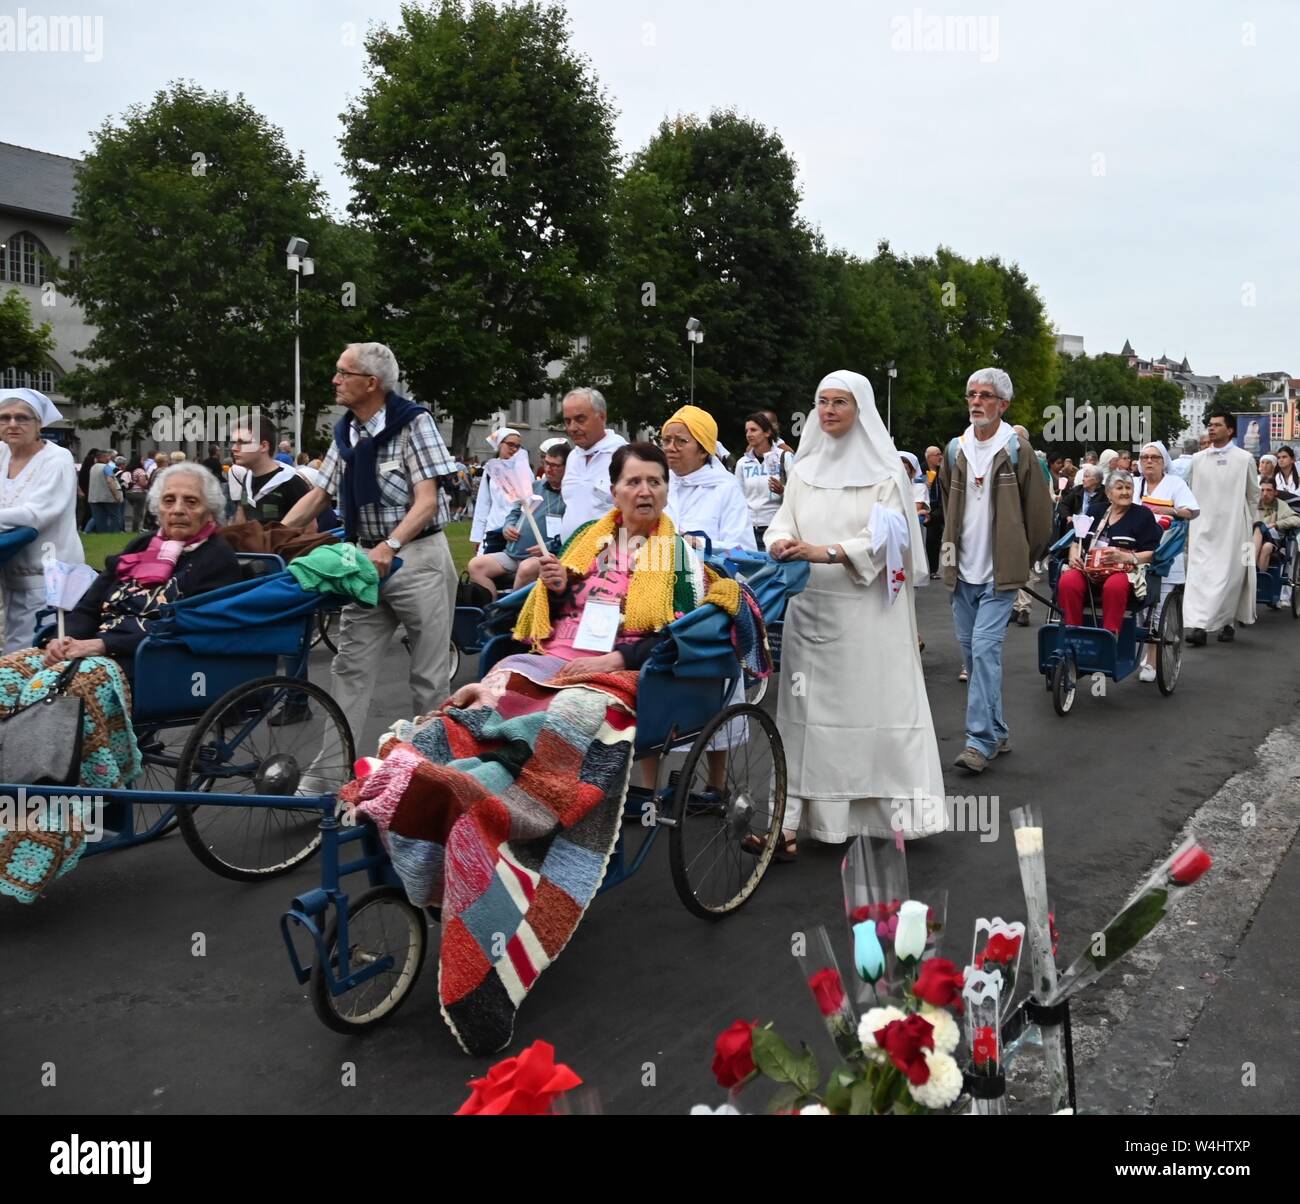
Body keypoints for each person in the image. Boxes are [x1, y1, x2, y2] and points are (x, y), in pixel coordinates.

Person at [349, 442, 755, 1056]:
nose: (644, 492)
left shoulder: (684, 556)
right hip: (555, 655)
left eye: (655, 483)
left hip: (616, 670)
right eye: (633, 482)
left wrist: (619, 655)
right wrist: (560, 586)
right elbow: (553, 612)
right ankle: (446, 770)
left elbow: (682, 631)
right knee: (480, 699)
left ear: (666, 492)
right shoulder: (589, 537)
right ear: (614, 491)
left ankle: (508, 800)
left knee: (568, 711)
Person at [763, 370, 946, 856]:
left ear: (860, 409)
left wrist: (827, 552)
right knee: (805, 716)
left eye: (839, 402)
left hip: (868, 614)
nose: (828, 411)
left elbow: (888, 541)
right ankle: (789, 821)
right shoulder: (802, 471)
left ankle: (889, 816)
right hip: (811, 608)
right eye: (822, 402)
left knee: (873, 709)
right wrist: (779, 540)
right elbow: (783, 520)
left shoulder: (887, 476)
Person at [281, 341, 459, 782]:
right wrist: (277, 538)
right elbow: (320, 494)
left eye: (344, 372)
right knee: (348, 669)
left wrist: (391, 546)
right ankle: (328, 776)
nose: (335, 380)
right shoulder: (347, 431)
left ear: (372, 383)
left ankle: (432, 775)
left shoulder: (414, 424)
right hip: (363, 563)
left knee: (428, 677)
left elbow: (427, 501)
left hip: (417, 559)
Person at [0, 463, 242, 786]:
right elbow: (88, 604)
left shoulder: (217, 558)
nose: (178, 509)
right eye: (169, 501)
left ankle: (64, 796)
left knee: (53, 689)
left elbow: (183, 623)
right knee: (6, 677)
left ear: (209, 511)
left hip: (149, 661)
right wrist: (63, 639)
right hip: (89, 651)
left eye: (191, 501)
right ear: (158, 508)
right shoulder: (141, 547)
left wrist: (102, 645)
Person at [939, 368, 1054, 775]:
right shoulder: (955, 449)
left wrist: (1022, 558)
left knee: (985, 652)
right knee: (975, 656)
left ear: (1003, 404)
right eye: (971, 394)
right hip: (961, 571)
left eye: (985, 395)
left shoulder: (1017, 449)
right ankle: (999, 729)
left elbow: (1040, 515)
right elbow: (947, 506)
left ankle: (978, 741)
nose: (976, 402)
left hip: (999, 573)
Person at [0, 390, 84, 653]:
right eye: (4, 418)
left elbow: (37, 513)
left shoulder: (57, 458)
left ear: (39, 424)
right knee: (14, 651)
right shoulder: (2, 453)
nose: (12, 424)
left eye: (22, 418)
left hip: (49, 575)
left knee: (42, 651)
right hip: (11, 571)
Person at [1057, 469, 1163, 637]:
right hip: (1090, 568)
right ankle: (1072, 634)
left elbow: (1151, 553)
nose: (1125, 492)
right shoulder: (1095, 510)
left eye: (1129, 488)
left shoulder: (1143, 515)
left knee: (1115, 586)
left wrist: (1126, 557)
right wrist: (1073, 556)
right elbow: (1077, 541)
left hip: (1123, 570)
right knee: (1068, 581)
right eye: (1119, 488)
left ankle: (1110, 636)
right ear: (1108, 493)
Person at [1184, 412, 1259, 646]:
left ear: (1230, 430)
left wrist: (1247, 523)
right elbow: (1190, 491)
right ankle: (1199, 626)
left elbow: (1253, 495)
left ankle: (1227, 622)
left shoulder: (1245, 458)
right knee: (1200, 576)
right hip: (1202, 527)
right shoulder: (1197, 459)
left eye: (1217, 425)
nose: (1212, 429)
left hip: (1233, 528)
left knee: (1230, 577)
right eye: (1210, 425)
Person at [465, 443, 568, 599]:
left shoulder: (570, 495)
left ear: (567, 467)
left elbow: (573, 531)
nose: (548, 469)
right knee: (476, 566)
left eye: (555, 466)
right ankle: (492, 608)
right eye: (546, 463)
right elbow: (514, 512)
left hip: (545, 556)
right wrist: (508, 527)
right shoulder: (533, 487)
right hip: (513, 553)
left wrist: (547, 547)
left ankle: (511, 613)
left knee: (527, 568)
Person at [1133, 441, 1199, 681]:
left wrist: (1167, 510)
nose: (1148, 461)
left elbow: (1191, 511)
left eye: (1154, 457)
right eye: (1144, 457)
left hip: (1165, 550)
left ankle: (1151, 660)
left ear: (1164, 462)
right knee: (1137, 606)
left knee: (1158, 609)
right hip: (1136, 550)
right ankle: (1139, 650)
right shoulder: (1134, 484)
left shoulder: (1175, 484)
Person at [663, 405, 756, 553]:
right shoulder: (659, 485)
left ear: (703, 450)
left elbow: (743, 551)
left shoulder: (726, 488)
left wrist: (699, 544)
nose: (670, 447)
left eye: (681, 441)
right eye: (667, 440)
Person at [558, 388, 627, 542]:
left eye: (580, 419)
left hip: (607, 559)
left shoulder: (624, 457)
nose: (572, 428)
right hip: (569, 555)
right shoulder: (573, 457)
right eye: (567, 421)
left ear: (602, 417)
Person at [228, 418, 311, 525]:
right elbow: (243, 514)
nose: (234, 448)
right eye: (234, 442)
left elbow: (310, 529)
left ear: (263, 446)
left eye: (242, 442)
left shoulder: (291, 482)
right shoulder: (247, 478)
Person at [735, 411, 795, 547]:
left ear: (767, 432)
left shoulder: (785, 457)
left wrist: (782, 491)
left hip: (777, 529)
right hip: (749, 530)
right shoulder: (742, 463)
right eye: (747, 431)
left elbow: (799, 494)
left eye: (754, 430)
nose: (749, 434)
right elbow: (737, 498)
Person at [469, 427, 525, 555]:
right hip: (493, 527)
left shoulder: (523, 469)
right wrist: (477, 536)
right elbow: (483, 503)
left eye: (518, 446)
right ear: (500, 445)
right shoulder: (490, 470)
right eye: (510, 444)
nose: (514, 449)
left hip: (515, 530)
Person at [1253, 478, 1300, 576]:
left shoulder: (1280, 505)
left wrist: (1277, 524)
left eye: (1269, 490)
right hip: (1252, 538)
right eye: (1262, 490)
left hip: (1273, 538)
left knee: (1259, 529)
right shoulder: (1253, 504)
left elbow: (1297, 519)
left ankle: (1255, 574)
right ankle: (1257, 578)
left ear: (1275, 492)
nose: (1265, 493)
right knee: (1264, 542)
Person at [86, 449, 123, 533]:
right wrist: (116, 495)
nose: (108, 458)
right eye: (107, 456)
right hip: (107, 497)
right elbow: (110, 481)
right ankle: (113, 533)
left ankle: (102, 533)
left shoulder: (93, 468)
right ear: (102, 458)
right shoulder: (106, 467)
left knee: (99, 518)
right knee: (115, 516)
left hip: (94, 497)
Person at [924, 445, 945, 579]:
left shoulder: (942, 471)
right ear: (929, 457)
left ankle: (933, 569)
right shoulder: (920, 470)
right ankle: (924, 568)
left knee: (935, 540)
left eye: (940, 454)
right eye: (937, 454)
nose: (940, 457)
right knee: (926, 539)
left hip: (938, 510)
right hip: (925, 508)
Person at [123, 457, 150, 533]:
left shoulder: (129, 470)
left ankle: (135, 528)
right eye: (142, 460)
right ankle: (135, 529)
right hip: (139, 493)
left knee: (135, 511)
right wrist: (148, 483)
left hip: (129, 493)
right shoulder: (140, 471)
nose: (143, 461)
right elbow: (142, 482)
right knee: (138, 512)